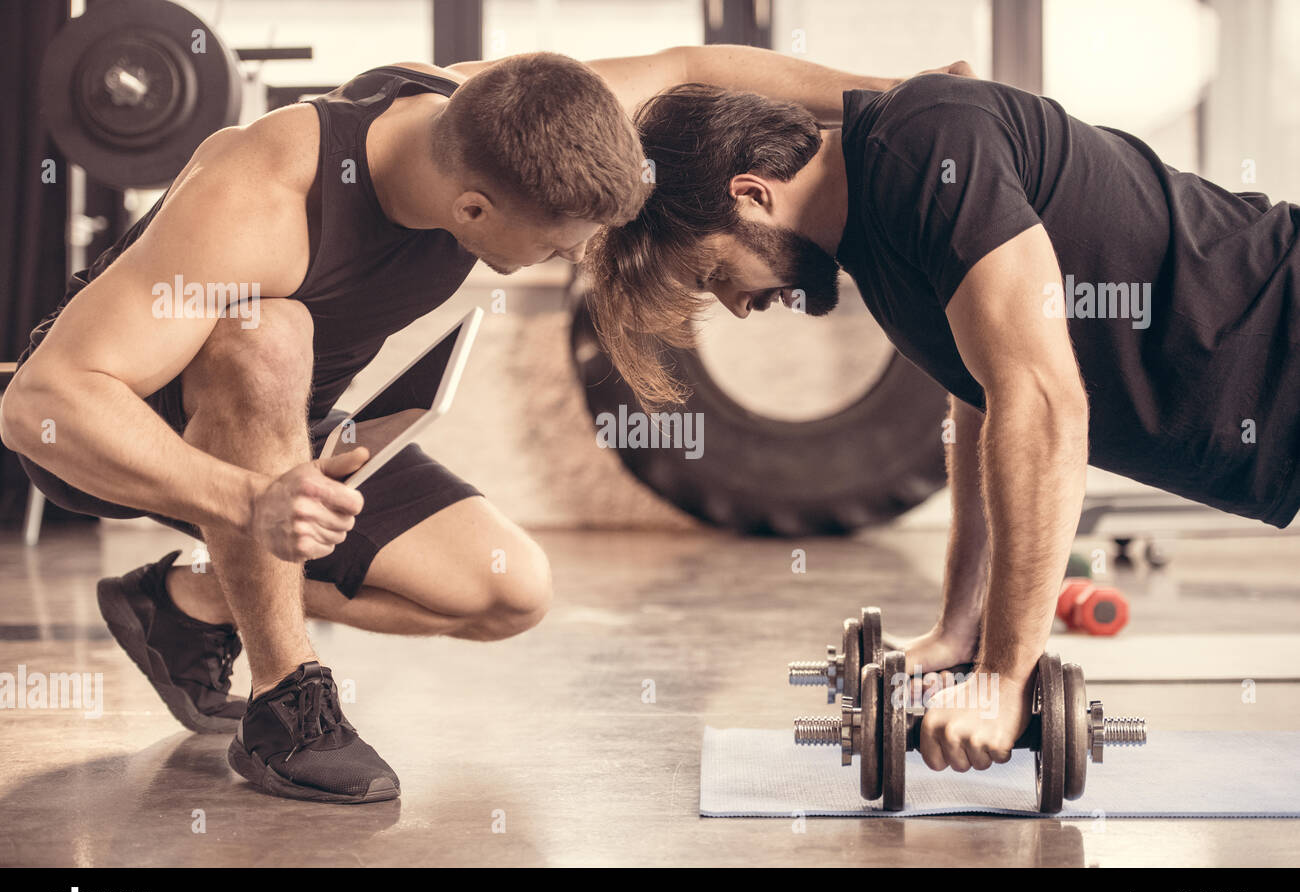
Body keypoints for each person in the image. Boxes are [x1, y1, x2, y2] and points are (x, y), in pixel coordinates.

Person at [0, 43, 930, 803]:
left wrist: (895, 94)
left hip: (296, 431)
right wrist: (247, 498)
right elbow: (41, 404)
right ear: (473, 209)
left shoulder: (511, 113)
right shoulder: (263, 194)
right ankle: (288, 706)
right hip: (125, 429)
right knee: (267, 331)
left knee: (506, 592)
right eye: (558, 246)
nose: (566, 259)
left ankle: (187, 600)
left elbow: (693, 64)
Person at [585, 71, 1300, 778]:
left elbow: (1045, 407)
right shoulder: (879, 234)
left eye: (714, 272)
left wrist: (1002, 680)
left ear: (751, 195)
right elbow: (986, 403)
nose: (737, 305)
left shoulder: (924, 144)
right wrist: (963, 629)